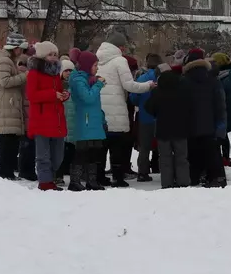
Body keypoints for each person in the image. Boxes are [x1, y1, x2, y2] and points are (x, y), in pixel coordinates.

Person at [94, 32, 153, 187]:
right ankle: (118, 177)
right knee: (116, 146)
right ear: (120, 46)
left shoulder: (98, 58)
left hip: (100, 108)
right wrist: (148, 85)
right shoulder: (120, 60)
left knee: (102, 145)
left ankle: (99, 176)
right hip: (116, 108)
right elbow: (129, 85)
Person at [25, 41, 69, 191]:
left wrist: (64, 95)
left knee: (58, 156)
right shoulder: (34, 73)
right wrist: (52, 95)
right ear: (43, 56)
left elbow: (58, 93)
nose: (54, 57)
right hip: (41, 120)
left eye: (55, 54)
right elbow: (31, 95)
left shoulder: (56, 74)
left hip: (56, 119)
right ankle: (45, 182)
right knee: (43, 155)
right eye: (50, 54)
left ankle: (50, 177)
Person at [183, 48, 226, 187]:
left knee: (193, 152)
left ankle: (194, 177)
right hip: (210, 123)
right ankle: (217, 177)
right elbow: (219, 103)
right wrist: (220, 123)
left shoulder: (183, 81)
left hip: (190, 124)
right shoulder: (213, 80)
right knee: (212, 151)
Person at [145, 63, 192, 188]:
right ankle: (183, 182)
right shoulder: (183, 91)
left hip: (163, 129)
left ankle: (167, 183)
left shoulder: (157, 92)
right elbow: (190, 108)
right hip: (180, 129)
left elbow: (148, 107)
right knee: (181, 157)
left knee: (165, 158)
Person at [0, 32, 29, 180]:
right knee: (8, 141)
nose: (22, 52)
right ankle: (5, 171)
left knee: (10, 140)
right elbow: (5, 82)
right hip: (7, 103)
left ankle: (6, 170)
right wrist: (25, 76)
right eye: (21, 49)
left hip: (9, 103)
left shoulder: (8, 60)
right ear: (15, 47)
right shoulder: (4, 61)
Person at [67, 50, 107, 191]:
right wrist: (98, 85)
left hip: (93, 120)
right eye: (95, 65)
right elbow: (88, 98)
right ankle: (75, 180)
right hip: (85, 120)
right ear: (87, 65)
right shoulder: (79, 80)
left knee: (95, 150)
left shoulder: (89, 79)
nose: (97, 68)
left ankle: (92, 180)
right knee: (82, 151)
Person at [129, 52, 162, 182]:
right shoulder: (164, 77)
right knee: (164, 146)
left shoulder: (142, 79)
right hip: (162, 117)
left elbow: (133, 98)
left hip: (145, 117)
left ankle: (143, 172)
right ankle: (165, 170)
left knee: (144, 147)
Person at [58, 59, 77, 188]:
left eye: (71, 70)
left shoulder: (76, 86)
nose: (69, 73)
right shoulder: (59, 86)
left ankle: (71, 171)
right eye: (66, 70)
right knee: (60, 150)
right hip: (62, 120)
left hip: (73, 121)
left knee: (72, 149)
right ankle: (59, 173)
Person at [212, 52, 231, 165]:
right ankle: (226, 157)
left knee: (220, 135)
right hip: (229, 108)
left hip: (221, 108)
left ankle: (222, 158)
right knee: (224, 135)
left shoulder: (219, 77)